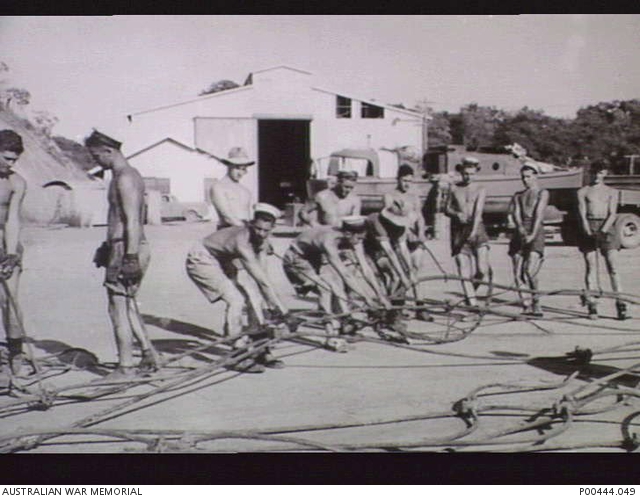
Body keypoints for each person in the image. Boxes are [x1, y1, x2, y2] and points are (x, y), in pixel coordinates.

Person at [86, 130, 160, 379]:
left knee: (117, 307)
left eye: (96, 156)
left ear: (109, 151)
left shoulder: (125, 178)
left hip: (128, 246)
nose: (96, 161)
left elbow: (132, 222)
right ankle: (149, 354)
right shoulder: (122, 176)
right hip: (121, 245)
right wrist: (107, 248)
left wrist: (128, 257)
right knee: (127, 304)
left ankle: (125, 367)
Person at [186, 203, 289, 372]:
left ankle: (260, 347)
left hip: (224, 259)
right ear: (251, 224)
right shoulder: (242, 242)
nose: (261, 233)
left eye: (266, 230)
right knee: (236, 300)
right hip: (203, 258)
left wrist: (272, 305)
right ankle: (236, 352)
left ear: (272, 229)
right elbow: (261, 280)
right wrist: (283, 311)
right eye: (258, 229)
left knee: (255, 297)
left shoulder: (263, 240)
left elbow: (263, 278)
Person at [282, 216, 389, 350]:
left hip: (315, 258)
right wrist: (366, 298)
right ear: (348, 234)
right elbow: (346, 274)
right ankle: (331, 337)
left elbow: (365, 268)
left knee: (337, 288)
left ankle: (340, 328)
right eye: (359, 239)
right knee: (326, 289)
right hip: (297, 260)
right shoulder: (329, 241)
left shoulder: (354, 237)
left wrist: (380, 296)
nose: (359, 242)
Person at [381, 164, 433, 321]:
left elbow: (420, 217)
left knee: (416, 271)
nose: (407, 184)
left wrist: (422, 233)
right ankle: (396, 307)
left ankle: (420, 307)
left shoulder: (414, 196)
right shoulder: (389, 195)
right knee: (401, 273)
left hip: (414, 239)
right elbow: (390, 216)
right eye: (404, 180)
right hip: (398, 238)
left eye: (410, 181)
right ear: (398, 179)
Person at [577, 160, 627, 320]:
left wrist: (604, 230)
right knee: (591, 266)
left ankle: (620, 303)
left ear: (604, 173)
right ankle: (592, 304)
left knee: (613, 266)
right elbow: (582, 213)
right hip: (590, 225)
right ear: (590, 173)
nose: (596, 175)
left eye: (600, 172)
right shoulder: (583, 191)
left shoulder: (611, 191)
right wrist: (586, 229)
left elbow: (613, 213)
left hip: (607, 226)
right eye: (594, 172)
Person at [444, 157, 493, 308]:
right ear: (461, 172)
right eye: (465, 174)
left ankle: (469, 294)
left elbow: (478, 212)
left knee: (481, 270)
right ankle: (472, 303)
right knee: (463, 268)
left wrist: (472, 231)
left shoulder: (480, 189)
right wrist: (455, 214)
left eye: (471, 174)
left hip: (477, 228)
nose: (468, 177)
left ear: (476, 172)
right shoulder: (453, 188)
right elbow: (446, 208)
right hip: (458, 231)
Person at [0, 130, 28, 377]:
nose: (11, 164)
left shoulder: (16, 183)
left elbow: (12, 220)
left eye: (14, 160)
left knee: (9, 300)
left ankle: (15, 357)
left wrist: (10, 254)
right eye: (7, 158)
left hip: (6, 244)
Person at [508, 163, 549, 317]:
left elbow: (539, 215)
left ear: (535, 176)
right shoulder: (518, 195)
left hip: (536, 232)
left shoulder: (542, 193)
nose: (525, 180)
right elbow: (516, 215)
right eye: (523, 177)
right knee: (517, 272)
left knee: (529, 270)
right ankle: (526, 304)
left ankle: (536, 301)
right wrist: (520, 229)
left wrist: (531, 234)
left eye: (528, 176)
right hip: (520, 233)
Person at [209, 147, 254, 230]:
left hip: (244, 231)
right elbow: (227, 217)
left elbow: (248, 216)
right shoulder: (218, 187)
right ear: (229, 165)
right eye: (237, 168)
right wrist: (248, 230)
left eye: (243, 169)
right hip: (227, 232)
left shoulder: (245, 191)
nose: (240, 173)